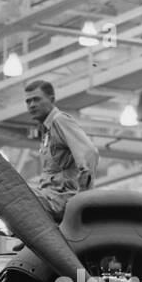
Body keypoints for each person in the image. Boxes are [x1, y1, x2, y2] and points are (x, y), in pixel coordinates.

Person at [24, 79, 98, 221]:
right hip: (50, 196)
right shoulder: (47, 130)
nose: (32, 105)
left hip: (62, 199)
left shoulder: (60, 121)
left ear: (51, 99)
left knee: (18, 197)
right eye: (28, 101)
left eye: (36, 99)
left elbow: (89, 153)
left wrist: (83, 198)